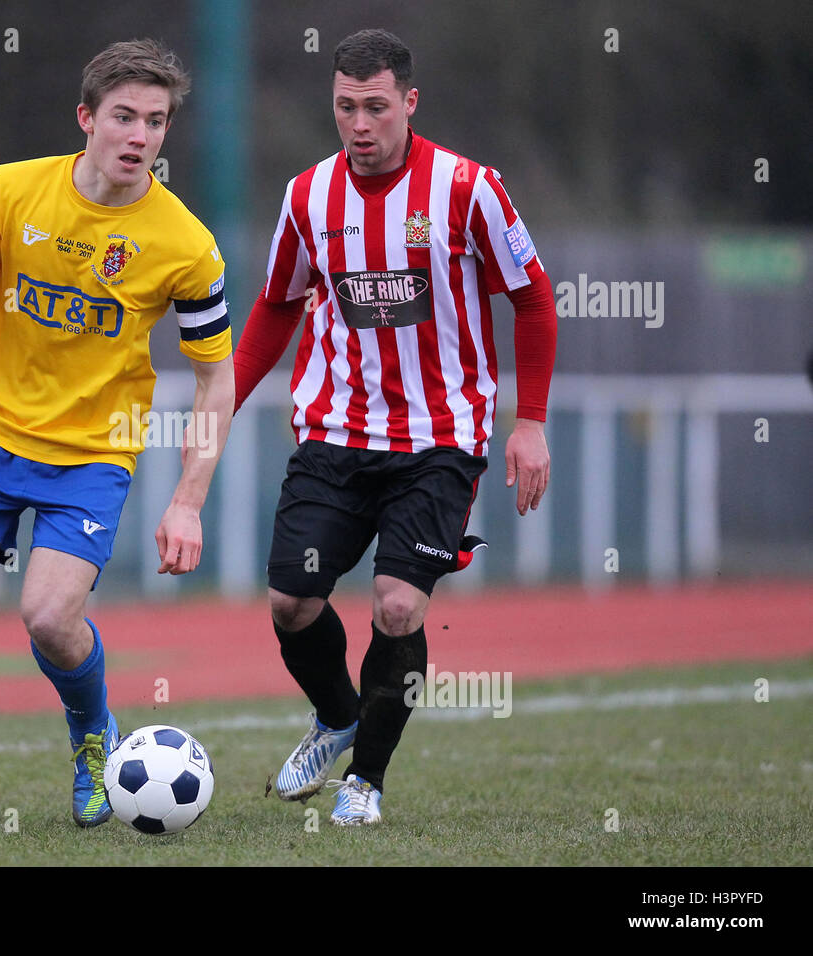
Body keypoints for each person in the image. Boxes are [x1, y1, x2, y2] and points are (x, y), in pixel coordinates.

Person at [0, 39, 235, 827]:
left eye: (156, 122)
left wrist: (188, 501)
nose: (140, 136)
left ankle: (95, 742)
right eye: (124, 116)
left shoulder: (186, 245)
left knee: (50, 620)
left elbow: (215, 379)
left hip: (92, 456)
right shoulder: (12, 190)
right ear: (86, 117)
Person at [232, 29, 557, 825]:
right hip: (335, 433)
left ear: (409, 102)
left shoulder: (469, 188)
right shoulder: (307, 195)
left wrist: (532, 423)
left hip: (439, 442)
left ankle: (365, 781)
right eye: (346, 107)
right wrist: (221, 404)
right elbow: (277, 304)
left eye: (376, 106)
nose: (360, 124)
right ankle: (340, 715)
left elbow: (534, 298)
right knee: (291, 602)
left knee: (399, 607)